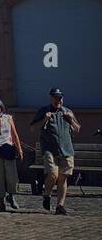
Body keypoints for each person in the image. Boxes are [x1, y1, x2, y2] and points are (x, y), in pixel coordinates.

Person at [30, 87, 81, 215]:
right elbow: (32, 128)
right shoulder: (44, 111)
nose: (57, 100)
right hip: (49, 150)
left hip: (67, 150)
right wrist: (44, 119)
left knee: (63, 178)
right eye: (55, 98)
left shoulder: (67, 112)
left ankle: (60, 206)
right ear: (51, 98)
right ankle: (46, 194)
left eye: (59, 98)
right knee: (53, 175)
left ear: (62, 99)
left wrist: (71, 120)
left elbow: (77, 129)